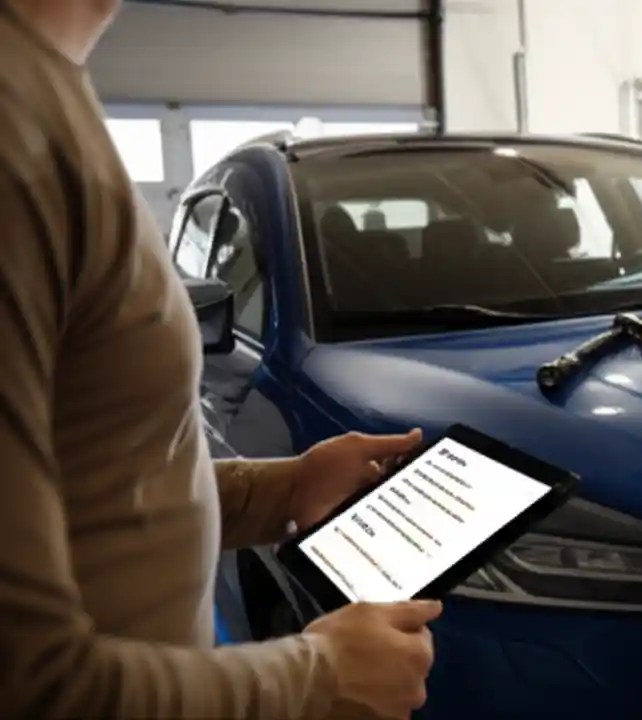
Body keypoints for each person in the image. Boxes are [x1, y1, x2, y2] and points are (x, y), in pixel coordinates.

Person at [0, 1, 442, 718]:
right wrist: (318, 678)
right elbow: (26, 682)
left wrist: (285, 488)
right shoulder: (13, 124)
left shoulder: (47, 90)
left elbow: (99, 474)